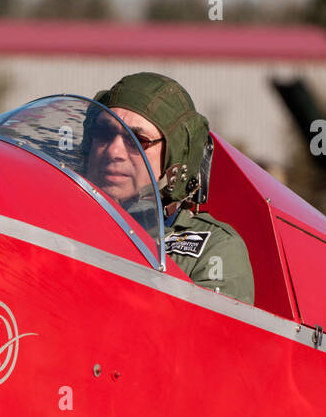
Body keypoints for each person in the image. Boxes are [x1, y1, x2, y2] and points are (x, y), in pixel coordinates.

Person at [86, 72, 254, 305]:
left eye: (138, 140)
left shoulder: (215, 249)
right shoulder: (59, 218)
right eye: (104, 133)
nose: (114, 152)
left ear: (175, 161)